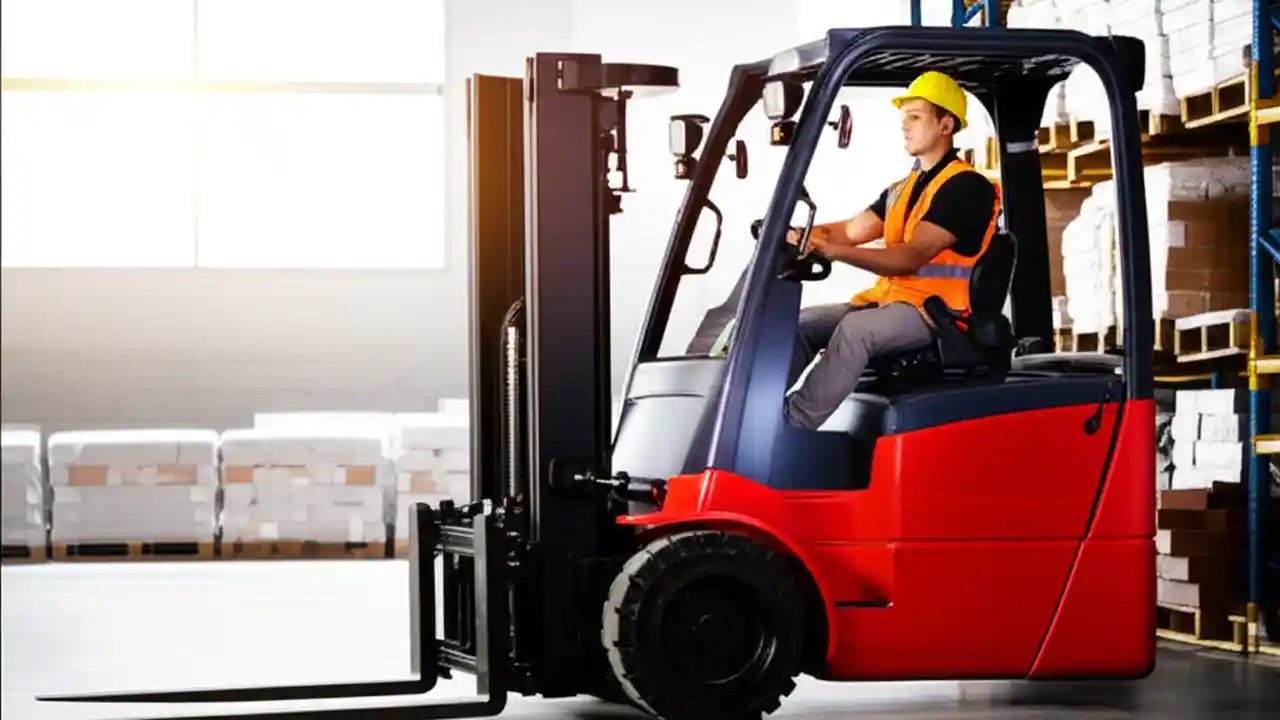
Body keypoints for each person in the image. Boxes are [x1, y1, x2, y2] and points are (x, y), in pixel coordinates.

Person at [784, 70, 1002, 430]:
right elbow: (852, 230)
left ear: (945, 124)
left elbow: (909, 257)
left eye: (915, 118)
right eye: (904, 120)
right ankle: (755, 410)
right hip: (891, 300)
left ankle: (792, 426)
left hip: (939, 312)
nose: (905, 127)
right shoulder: (903, 188)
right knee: (805, 323)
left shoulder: (966, 188)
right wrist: (795, 233)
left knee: (857, 331)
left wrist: (833, 251)